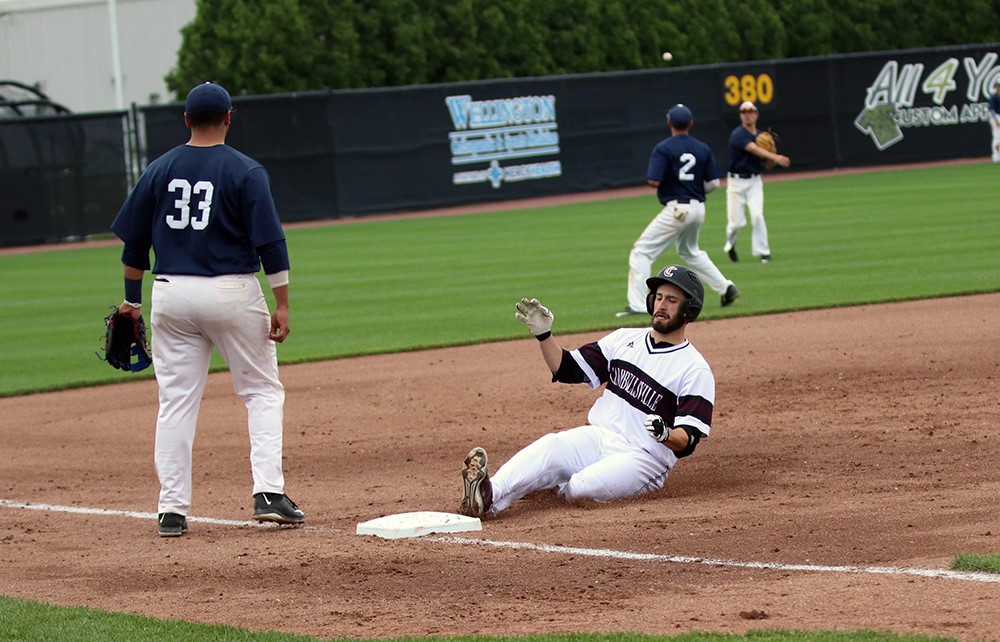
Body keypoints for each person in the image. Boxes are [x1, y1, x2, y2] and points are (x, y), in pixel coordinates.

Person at [110, 82, 304, 537]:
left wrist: (131, 301)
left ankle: (171, 510)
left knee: (176, 401)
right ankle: (268, 493)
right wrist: (282, 303)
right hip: (231, 291)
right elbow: (271, 244)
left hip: (171, 293)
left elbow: (135, 244)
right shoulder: (245, 170)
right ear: (229, 118)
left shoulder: (159, 169)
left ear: (185, 120)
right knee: (261, 391)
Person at [459, 265, 716, 519]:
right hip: (600, 436)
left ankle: (551, 484)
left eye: (671, 300)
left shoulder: (694, 369)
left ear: (689, 310)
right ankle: (489, 494)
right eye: (658, 297)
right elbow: (567, 368)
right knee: (551, 446)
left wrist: (666, 434)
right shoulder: (624, 339)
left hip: (643, 458)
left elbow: (688, 440)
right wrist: (544, 335)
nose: (661, 305)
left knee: (583, 488)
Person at [618, 104, 740, 316]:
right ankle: (726, 287)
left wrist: (674, 184)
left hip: (677, 209)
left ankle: (638, 305)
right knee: (690, 251)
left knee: (642, 251)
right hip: (698, 208)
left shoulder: (664, 148)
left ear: (669, 123)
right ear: (690, 124)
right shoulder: (702, 148)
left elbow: (653, 180)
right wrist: (692, 188)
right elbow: (714, 183)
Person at [723, 101, 791, 264]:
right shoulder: (738, 134)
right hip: (735, 183)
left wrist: (770, 159)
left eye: (750, 111)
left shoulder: (761, 136)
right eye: (743, 111)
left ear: (756, 114)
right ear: (740, 115)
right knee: (735, 224)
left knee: (757, 215)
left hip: (754, 181)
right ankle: (731, 245)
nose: (747, 114)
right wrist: (775, 157)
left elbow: (765, 163)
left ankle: (764, 252)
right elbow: (753, 149)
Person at [988, 81, 1000, 163]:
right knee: (997, 136)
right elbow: (991, 110)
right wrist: (996, 120)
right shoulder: (994, 97)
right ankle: (996, 156)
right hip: (996, 117)